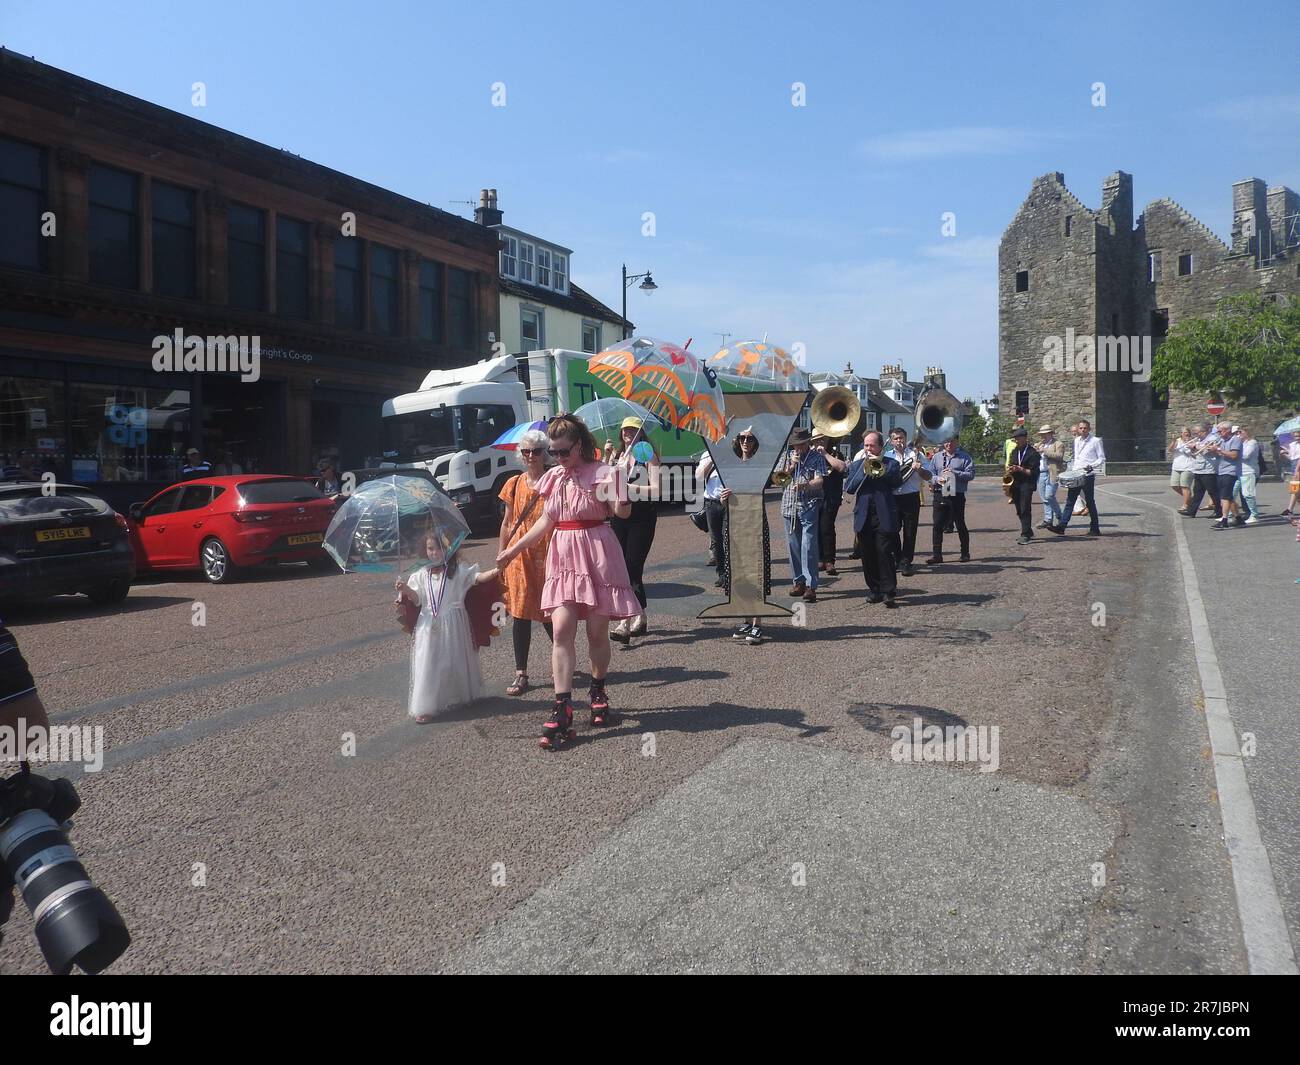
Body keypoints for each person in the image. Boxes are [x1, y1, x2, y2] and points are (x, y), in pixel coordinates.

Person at [495, 413, 640, 749]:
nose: (557, 458)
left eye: (563, 452)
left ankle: (598, 689)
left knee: (596, 632)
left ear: (579, 444)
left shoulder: (605, 472)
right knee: (561, 629)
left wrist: (618, 486)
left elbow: (622, 513)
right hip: (563, 555)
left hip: (598, 551)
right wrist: (511, 550)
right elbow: (546, 521)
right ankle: (562, 707)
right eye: (553, 453)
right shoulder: (553, 479)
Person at [394, 532, 499, 724]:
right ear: (424, 551)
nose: (434, 553)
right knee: (428, 662)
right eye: (430, 549)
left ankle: (461, 694)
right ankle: (426, 706)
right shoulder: (421, 573)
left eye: (438, 549)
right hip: (428, 623)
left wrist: (497, 569)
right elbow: (417, 600)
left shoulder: (458, 569)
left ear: (448, 550)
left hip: (454, 622)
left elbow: (478, 578)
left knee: (455, 659)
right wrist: (405, 589)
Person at [497, 429, 554, 695]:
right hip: (519, 555)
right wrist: (502, 553)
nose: (531, 456)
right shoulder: (514, 484)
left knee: (549, 610)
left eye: (537, 451)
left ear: (546, 454)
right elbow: (508, 522)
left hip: (548, 552)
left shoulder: (554, 481)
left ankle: (562, 655)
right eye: (527, 451)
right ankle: (521, 674)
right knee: (520, 612)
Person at [606, 417, 661, 644]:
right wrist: (607, 458)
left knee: (632, 565)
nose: (628, 432)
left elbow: (656, 490)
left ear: (641, 432)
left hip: (642, 518)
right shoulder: (618, 457)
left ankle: (625, 622)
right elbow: (603, 484)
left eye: (633, 429)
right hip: (619, 517)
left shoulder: (646, 454)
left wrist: (629, 487)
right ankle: (641, 616)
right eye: (625, 429)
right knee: (624, 567)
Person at [724, 427, 771, 645]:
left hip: (754, 521)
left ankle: (757, 622)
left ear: (755, 442)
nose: (745, 441)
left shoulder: (761, 465)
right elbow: (726, 497)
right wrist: (724, 497)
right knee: (740, 571)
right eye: (741, 438)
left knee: (756, 570)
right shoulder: (730, 466)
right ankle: (746, 619)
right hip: (734, 522)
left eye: (749, 438)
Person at [845, 431, 903, 606]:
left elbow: (896, 482)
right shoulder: (857, 466)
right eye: (865, 445)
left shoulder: (891, 463)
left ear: (879, 447)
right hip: (864, 516)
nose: (868, 448)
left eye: (871, 445)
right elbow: (850, 487)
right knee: (868, 555)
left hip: (884, 514)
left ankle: (888, 591)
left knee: (884, 552)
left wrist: (878, 467)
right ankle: (874, 589)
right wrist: (864, 469)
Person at [924, 435, 975, 562]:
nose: (949, 444)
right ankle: (937, 555)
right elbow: (931, 474)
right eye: (946, 441)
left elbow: (971, 474)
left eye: (952, 441)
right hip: (940, 492)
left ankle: (965, 553)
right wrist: (937, 479)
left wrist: (955, 473)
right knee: (937, 525)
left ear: (957, 442)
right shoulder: (937, 457)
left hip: (956, 494)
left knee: (960, 523)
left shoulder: (964, 457)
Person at [1050, 420, 1105, 536]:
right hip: (1076, 474)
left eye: (1085, 428)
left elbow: (1101, 458)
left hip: (1088, 475)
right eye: (1081, 428)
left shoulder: (1095, 441)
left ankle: (1095, 528)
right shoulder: (1076, 440)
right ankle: (1062, 526)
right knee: (1070, 501)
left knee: (1090, 502)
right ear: (1078, 429)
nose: (1083, 430)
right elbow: (1077, 458)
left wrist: (1092, 466)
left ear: (1089, 429)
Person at [885, 426, 927, 577]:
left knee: (910, 531)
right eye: (895, 438)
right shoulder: (887, 457)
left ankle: (906, 562)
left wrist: (919, 469)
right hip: (893, 497)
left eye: (901, 438)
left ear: (905, 438)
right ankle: (898, 558)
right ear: (890, 441)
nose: (899, 441)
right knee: (893, 530)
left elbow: (928, 476)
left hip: (911, 497)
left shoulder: (917, 455)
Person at [812, 431, 847, 577]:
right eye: (817, 440)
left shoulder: (836, 454)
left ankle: (829, 560)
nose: (820, 442)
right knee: (816, 526)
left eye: (822, 439)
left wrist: (825, 454)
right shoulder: (810, 455)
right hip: (814, 496)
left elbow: (842, 468)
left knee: (827, 526)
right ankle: (820, 558)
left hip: (831, 496)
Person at [696, 448, 727, 588]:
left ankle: (732, 573)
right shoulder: (706, 455)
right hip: (711, 503)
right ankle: (722, 574)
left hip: (729, 503)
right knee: (716, 540)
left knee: (729, 539)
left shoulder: (733, 452)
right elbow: (699, 476)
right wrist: (712, 460)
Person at [1006, 425, 1041, 545]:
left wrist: (1021, 469)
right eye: (1014, 438)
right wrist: (1011, 469)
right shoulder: (1015, 451)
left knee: (1025, 508)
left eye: (1018, 438)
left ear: (1024, 438)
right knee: (1019, 510)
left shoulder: (1033, 453)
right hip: (1016, 483)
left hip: (1027, 483)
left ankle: (1025, 534)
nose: (1016, 440)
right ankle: (1028, 530)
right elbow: (1011, 463)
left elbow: (1034, 472)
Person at [1180, 424, 1220, 518]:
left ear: (1204, 432)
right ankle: (1191, 511)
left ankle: (1219, 511)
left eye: (1197, 433)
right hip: (1199, 468)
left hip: (1209, 469)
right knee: (1197, 491)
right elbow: (1194, 453)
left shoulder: (1213, 438)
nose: (1195, 435)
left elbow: (1207, 451)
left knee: (1213, 492)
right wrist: (1192, 448)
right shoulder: (1200, 440)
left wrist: (1195, 446)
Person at [1207, 421, 1242, 530]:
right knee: (1228, 497)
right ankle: (1239, 518)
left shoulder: (1235, 439)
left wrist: (1218, 449)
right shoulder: (1221, 440)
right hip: (1221, 470)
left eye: (1220, 431)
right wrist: (1212, 450)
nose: (1218, 433)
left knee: (1224, 497)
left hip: (1230, 471)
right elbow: (1217, 455)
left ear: (1227, 430)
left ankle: (1224, 519)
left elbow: (1234, 455)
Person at [1036, 425, 1066, 529]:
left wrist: (1045, 451)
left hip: (1052, 472)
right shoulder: (1039, 444)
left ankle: (1060, 516)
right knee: (1044, 498)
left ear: (1050, 434)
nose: (1042, 436)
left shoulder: (1058, 444)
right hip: (1040, 473)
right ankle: (1048, 519)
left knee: (1049, 496)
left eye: (1045, 434)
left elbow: (1059, 456)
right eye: (1041, 434)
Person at [1235, 427, 1261, 525]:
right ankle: (1229, 514)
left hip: (1249, 471)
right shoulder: (1241, 443)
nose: (1238, 434)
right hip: (1238, 472)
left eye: (1240, 432)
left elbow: (1246, 456)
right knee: (1231, 494)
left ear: (1247, 433)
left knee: (1248, 495)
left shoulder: (1252, 442)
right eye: (1237, 432)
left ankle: (1254, 515)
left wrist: (1233, 452)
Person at [1168, 428, 1194, 511]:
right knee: (1174, 485)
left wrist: (1187, 443)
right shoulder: (1177, 441)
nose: (1185, 434)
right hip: (1176, 466)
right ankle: (1190, 499)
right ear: (1181, 434)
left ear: (1189, 433)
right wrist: (1173, 441)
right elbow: (1170, 450)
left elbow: (1192, 453)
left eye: (1187, 432)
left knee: (1185, 486)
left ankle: (1186, 505)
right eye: (1183, 432)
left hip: (1188, 467)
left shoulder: (1193, 441)